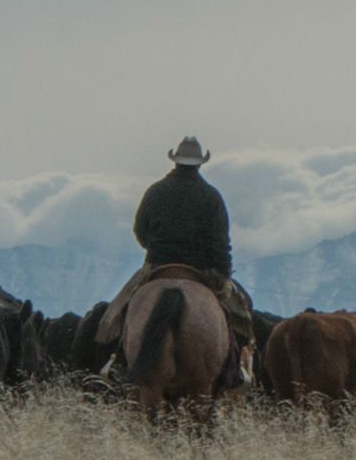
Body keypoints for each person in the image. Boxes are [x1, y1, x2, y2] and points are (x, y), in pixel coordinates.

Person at [107, 136, 257, 390]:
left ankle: (117, 362)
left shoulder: (155, 191)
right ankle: (235, 369)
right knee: (239, 314)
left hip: (158, 264)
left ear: (175, 161)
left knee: (116, 312)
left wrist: (154, 248)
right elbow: (221, 242)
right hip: (202, 270)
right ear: (199, 164)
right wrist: (221, 273)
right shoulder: (211, 196)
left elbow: (140, 229)